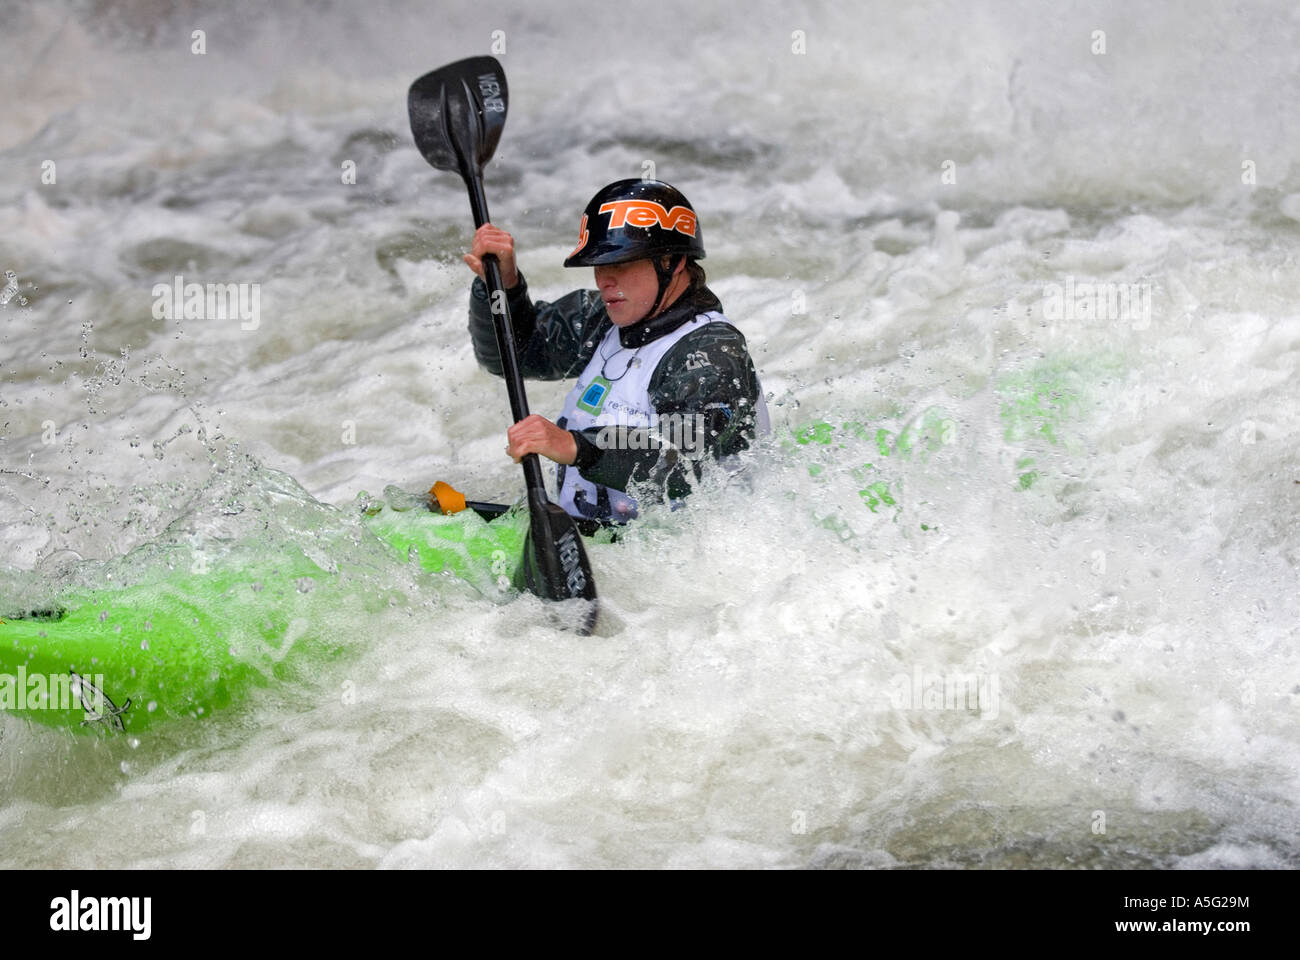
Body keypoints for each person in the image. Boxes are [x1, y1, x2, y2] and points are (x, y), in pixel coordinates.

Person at [464, 178, 769, 524]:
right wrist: (503, 287)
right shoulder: (602, 318)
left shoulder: (712, 352)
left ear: (671, 261)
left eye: (621, 264)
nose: (604, 280)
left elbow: (685, 454)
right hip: (599, 538)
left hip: (694, 551)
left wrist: (579, 447)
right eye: (599, 265)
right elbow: (515, 354)